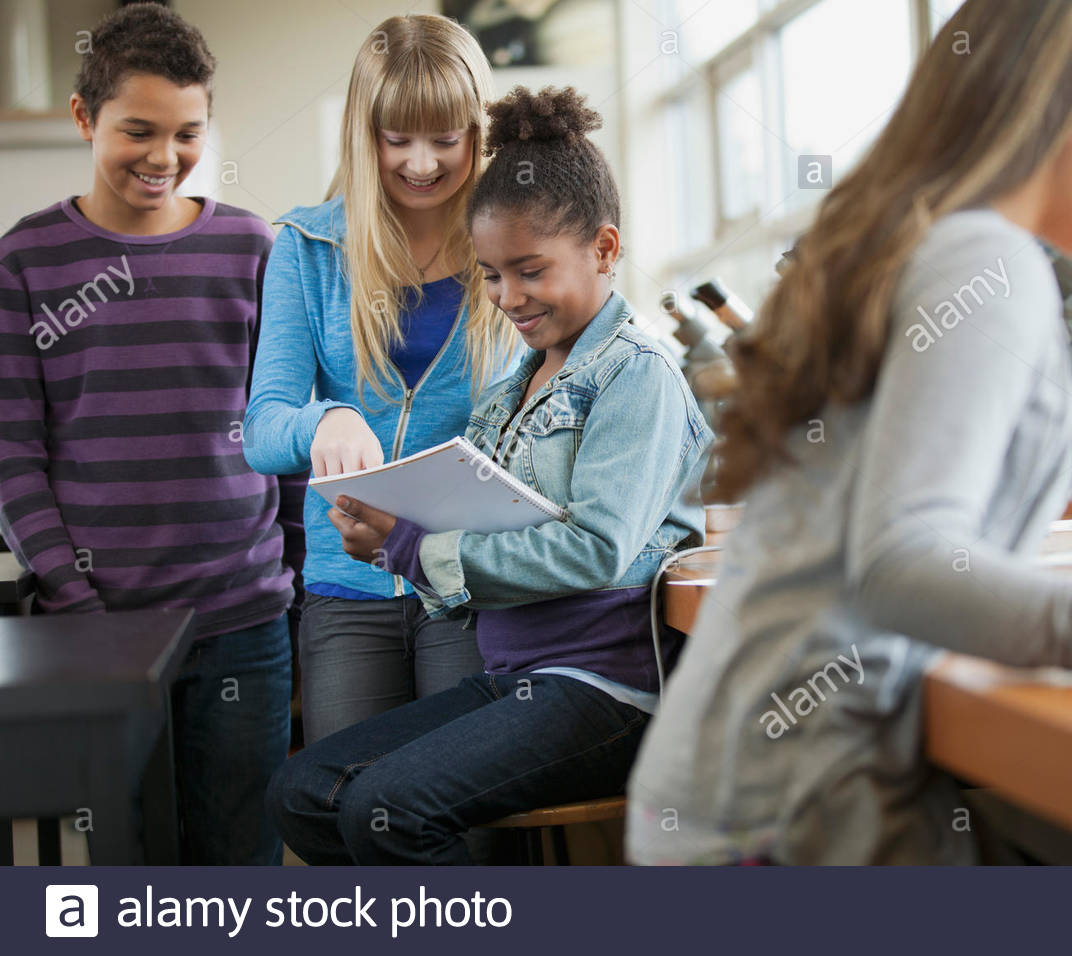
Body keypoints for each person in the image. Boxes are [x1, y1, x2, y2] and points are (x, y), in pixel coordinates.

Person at [625, 0, 1072, 866]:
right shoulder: (990, 262)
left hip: (737, 792)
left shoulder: (944, 246)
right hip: (781, 820)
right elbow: (907, 566)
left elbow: (942, 521)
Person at [264, 86, 712, 865]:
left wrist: (415, 546)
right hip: (517, 675)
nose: (508, 298)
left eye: (529, 271)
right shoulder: (517, 385)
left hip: (606, 690)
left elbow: (595, 550)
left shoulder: (638, 375)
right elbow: (469, 530)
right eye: (492, 276)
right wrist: (382, 542)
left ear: (605, 250)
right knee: (303, 795)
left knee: (384, 810)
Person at [0, 3, 303, 864]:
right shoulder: (24, 262)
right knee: (123, 872)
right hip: (96, 632)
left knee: (239, 867)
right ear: (83, 117)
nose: (164, 158)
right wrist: (79, 601)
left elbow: (280, 436)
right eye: (138, 130)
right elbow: (12, 455)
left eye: (188, 133)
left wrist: (293, 573)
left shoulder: (254, 249)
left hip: (244, 619)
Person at [243, 14, 517, 745]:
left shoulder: (514, 248)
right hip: (347, 592)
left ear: (478, 132)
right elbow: (264, 428)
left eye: (446, 138)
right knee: (343, 808)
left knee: (459, 818)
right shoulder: (307, 247)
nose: (422, 162)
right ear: (363, 136)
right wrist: (323, 419)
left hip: (467, 585)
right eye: (398, 139)